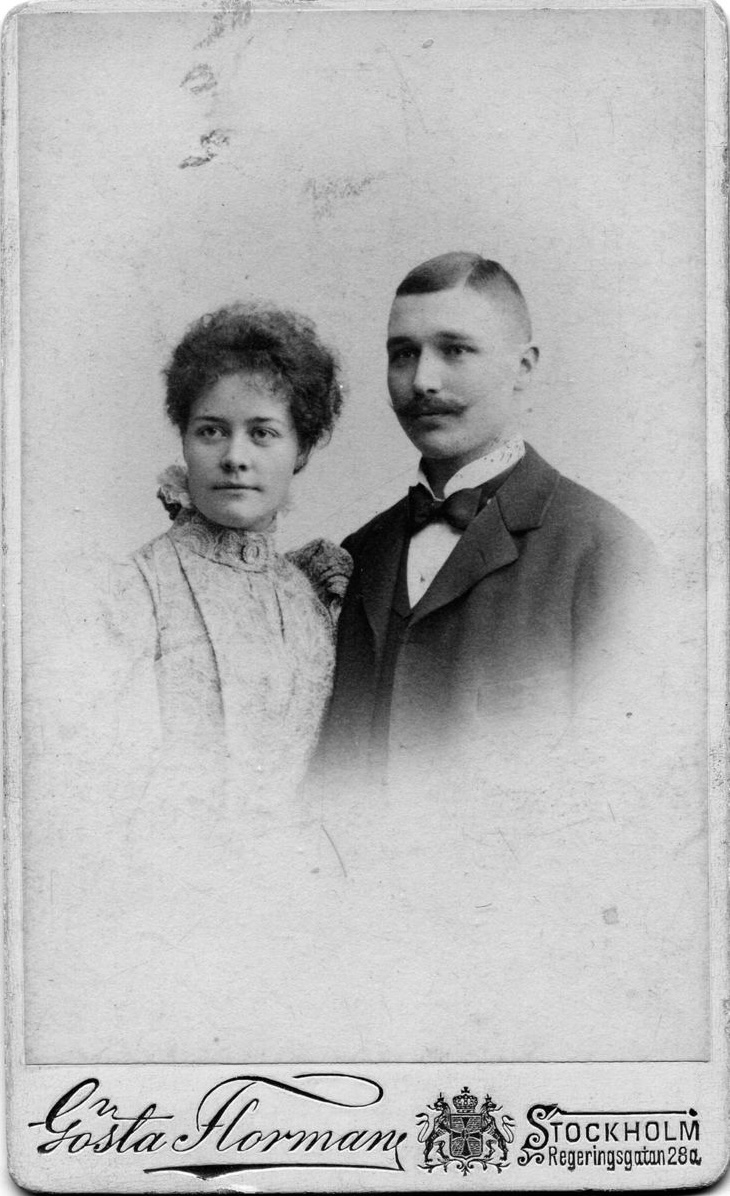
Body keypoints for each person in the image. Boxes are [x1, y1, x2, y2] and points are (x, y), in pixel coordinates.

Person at [24, 302, 352, 1060]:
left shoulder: (311, 595)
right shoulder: (133, 589)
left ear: (301, 448)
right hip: (166, 914)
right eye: (211, 431)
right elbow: (83, 786)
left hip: (299, 917)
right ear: (184, 439)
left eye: (263, 433)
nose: (235, 457)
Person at [318, 251, 657, 791]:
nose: (422, 380)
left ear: (523, 368)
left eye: (455, 350)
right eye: (403, 354)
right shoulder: (359, 552)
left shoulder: (606, 551)